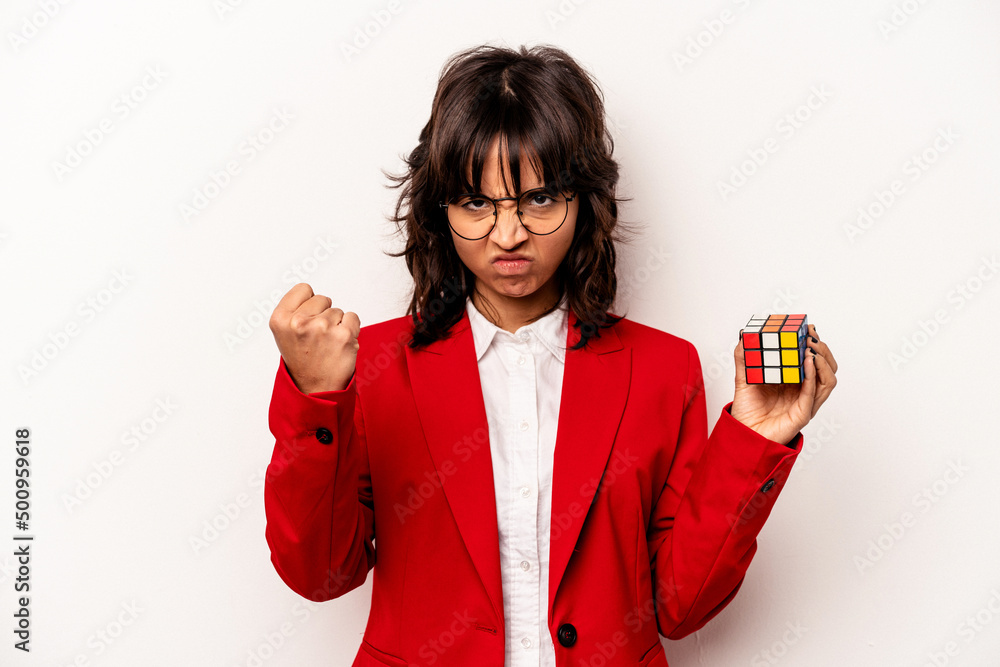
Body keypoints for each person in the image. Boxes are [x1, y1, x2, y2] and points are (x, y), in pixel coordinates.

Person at [263, 42, 837, 667]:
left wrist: (754, 439)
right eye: (476, 203)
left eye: (539, 199)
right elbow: (321, 575)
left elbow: (679, 607)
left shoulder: (663, 369)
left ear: (583, 200)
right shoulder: (371, 366)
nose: (509, 236)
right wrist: (316, 401)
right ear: (440, 209)